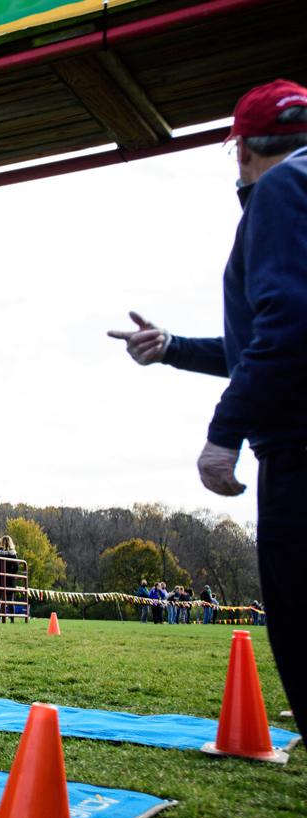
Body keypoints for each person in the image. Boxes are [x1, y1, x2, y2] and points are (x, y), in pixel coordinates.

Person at [107, 79, 307, 750]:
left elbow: (284, 328)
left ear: (244, 149)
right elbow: (265, 341)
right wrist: (172, 349)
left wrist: (224, 433)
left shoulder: (281, 190)